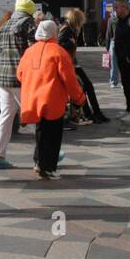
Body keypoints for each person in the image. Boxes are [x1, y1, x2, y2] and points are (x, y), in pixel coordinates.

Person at [17, 18, 85, 179]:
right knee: (53, 134)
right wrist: (79, 98)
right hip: (52, 99)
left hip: (33, 98)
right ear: (53, 32)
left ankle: (38, 161)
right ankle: (47, 167)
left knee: (40, 132)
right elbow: (70, 79)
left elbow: (19, 74)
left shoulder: (29, 51)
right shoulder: (59, 52)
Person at [0, 0, 37, 169]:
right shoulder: (28, 23)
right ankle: (48, 151)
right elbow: (34, 52)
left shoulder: (4, 25)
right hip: (20, 78)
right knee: (36, 114)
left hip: (3, 77)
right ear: (30, 11)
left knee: (6, 116)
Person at [58, 8, 109, 123]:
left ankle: (95, 113)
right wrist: (71, 43)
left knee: (87, 87)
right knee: (85, 87)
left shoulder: (70, 28)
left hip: (73, 63)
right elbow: (58, 45)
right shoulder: (66, 28)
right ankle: (91, 113)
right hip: (69, 64)